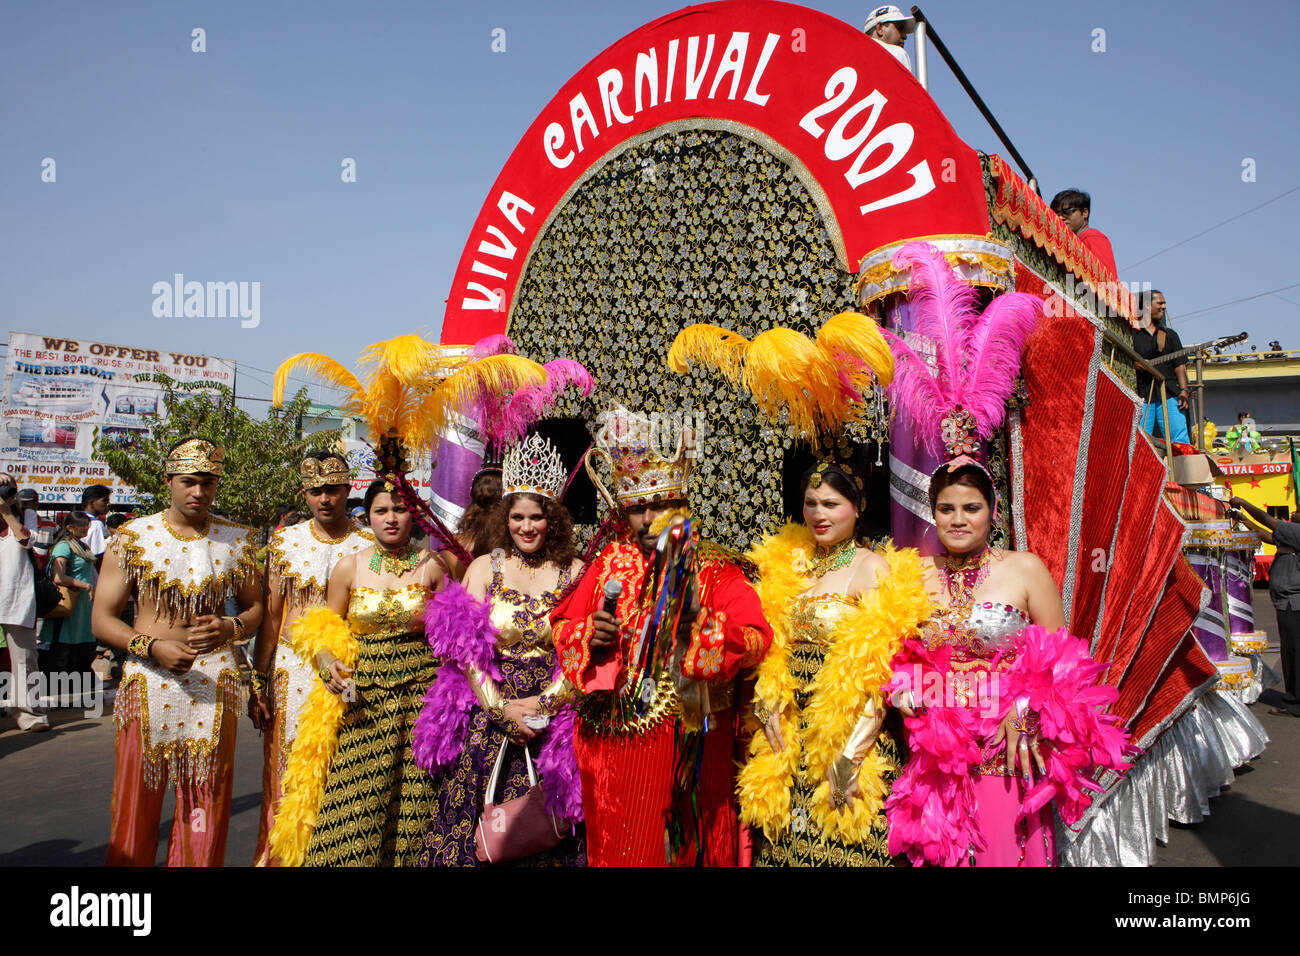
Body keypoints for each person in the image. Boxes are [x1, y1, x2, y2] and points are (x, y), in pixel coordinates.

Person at [550, 407, 773, 866]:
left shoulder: (716, 570)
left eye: (661, 506)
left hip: (688, 752)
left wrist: (701, 630)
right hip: (612, 751)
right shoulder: (607, 564)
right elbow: (563, 627)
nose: (649, 520)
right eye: (637, 508)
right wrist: (591, 637)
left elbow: (755, 638)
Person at [739, 459, 930, 866]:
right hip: (791, 743)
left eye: (830, 503)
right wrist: (765, 700)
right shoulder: (789, 566)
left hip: (847, 737)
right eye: (810, 503)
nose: (818, 515)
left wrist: (851, 755)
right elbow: (770, 652)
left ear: (858, 507)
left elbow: (882, 671)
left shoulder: (871, 567)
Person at [416, 433, 586, 866]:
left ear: (553, 519)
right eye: (517, 517)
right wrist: (500, 710)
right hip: (492, 713)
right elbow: (467, 651)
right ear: (504, 519)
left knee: (549, 835)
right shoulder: (482, 568)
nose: (527, 527)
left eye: (536, 517)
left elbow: (584, 651)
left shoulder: (577, 572)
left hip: (554, 720)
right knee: (479, 833)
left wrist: (545, 706)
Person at [92, 437, 263, 866]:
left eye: (208, 483)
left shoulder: (235, 540)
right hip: (148, 683)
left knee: (204, 804)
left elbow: (256, 606)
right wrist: (152, 647)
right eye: (189, 481)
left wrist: (231, 626)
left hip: (214, 683)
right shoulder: (131, 539)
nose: (199, 492)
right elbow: (103, 619)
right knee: (136, 803)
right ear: (168, 480)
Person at [894, 462, 1066, 865]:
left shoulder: (1025, 569)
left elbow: (1062, 658)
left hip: (1006, 741)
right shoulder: (913, 575)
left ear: (993, 510)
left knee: (1000, 851)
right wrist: (903, 683)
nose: (957, 520)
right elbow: (899, 652)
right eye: (945, 508)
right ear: (932, 513)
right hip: (935, 751)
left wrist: (1025, 709)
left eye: (971, 508)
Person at [271, 478, 445, 866]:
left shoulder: (432, 566)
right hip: (360, 700)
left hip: (419, 702)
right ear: (368, 516)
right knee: (355, 807)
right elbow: (324, 630)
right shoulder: (349, 567)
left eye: (399, 510)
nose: (391, 519)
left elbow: (450, 638)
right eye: (381, 511)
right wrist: (325, 662)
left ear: (412, 515)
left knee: (414, 807)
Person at [248, 451, 374, 866]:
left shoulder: (369, 544)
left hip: (347, 673)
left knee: (341, 775)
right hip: (293, 675)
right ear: (304, 494)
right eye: (316, 491)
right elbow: (270, 619)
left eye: (333, 490)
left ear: (348, 489)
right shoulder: (284, 542)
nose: (325, 499)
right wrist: (259, 682)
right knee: (287, 779)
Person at [1229, 497, 1300, 717]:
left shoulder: (1297, 532)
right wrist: (1242, 519)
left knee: (1294, 652)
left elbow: (1269, 521)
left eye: (1299, 511)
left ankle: (1295, 702)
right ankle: (1293, 697)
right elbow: (1268, 536)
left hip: (1293, 602)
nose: (1295, 512)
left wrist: (1244, 503)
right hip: (1287, 602)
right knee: (1291, 651)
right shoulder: (1292, 537)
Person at [0, 474, 49, 732]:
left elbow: (29, 542)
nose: (4, 491)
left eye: (8, 487)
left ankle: (27, 713)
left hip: (15, 597)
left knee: (24, 659)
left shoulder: (25, 516)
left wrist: (7, 512)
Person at [46, 511, 99, 705]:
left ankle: (79, 682)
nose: (85, 528)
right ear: (69, 527)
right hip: (71, 603)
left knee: (83, 645)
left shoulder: (82, 546)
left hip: (84, 605)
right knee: (65, 645)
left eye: (87, 525)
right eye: (81, 525)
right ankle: (60, 685)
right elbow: (58, 577)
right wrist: (85, 585)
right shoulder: (64, 546)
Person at [1131, 289, 1191, 444]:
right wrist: (1134, 365)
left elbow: (1180, 365)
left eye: (1164, 303)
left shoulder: (1170, 335)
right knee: (1140, 440)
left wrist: (1184, 390)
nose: (1163, 307)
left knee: (1179, 440)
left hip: (1169, 393)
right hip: (1142, 393)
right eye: (1160, 303)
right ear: (1146, 306)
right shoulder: (1132, 334)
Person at [1049, 188, 1119, 279]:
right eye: (1057, 215)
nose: (1061, 218)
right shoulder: (1072, 242)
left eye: (1067, 212)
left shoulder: (1092, 237)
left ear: (1085, 213)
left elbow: (1107, 279)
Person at [863, 4, 915, 71]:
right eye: (900, 28)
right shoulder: (897, 53)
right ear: (880, 28)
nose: (904, 36)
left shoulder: (853, 58)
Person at [81, 484, 111, 567]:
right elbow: (98, 555)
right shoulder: (96, 524)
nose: (108, 504)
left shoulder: (76, 519)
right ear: (91, 503)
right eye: (105, 501)